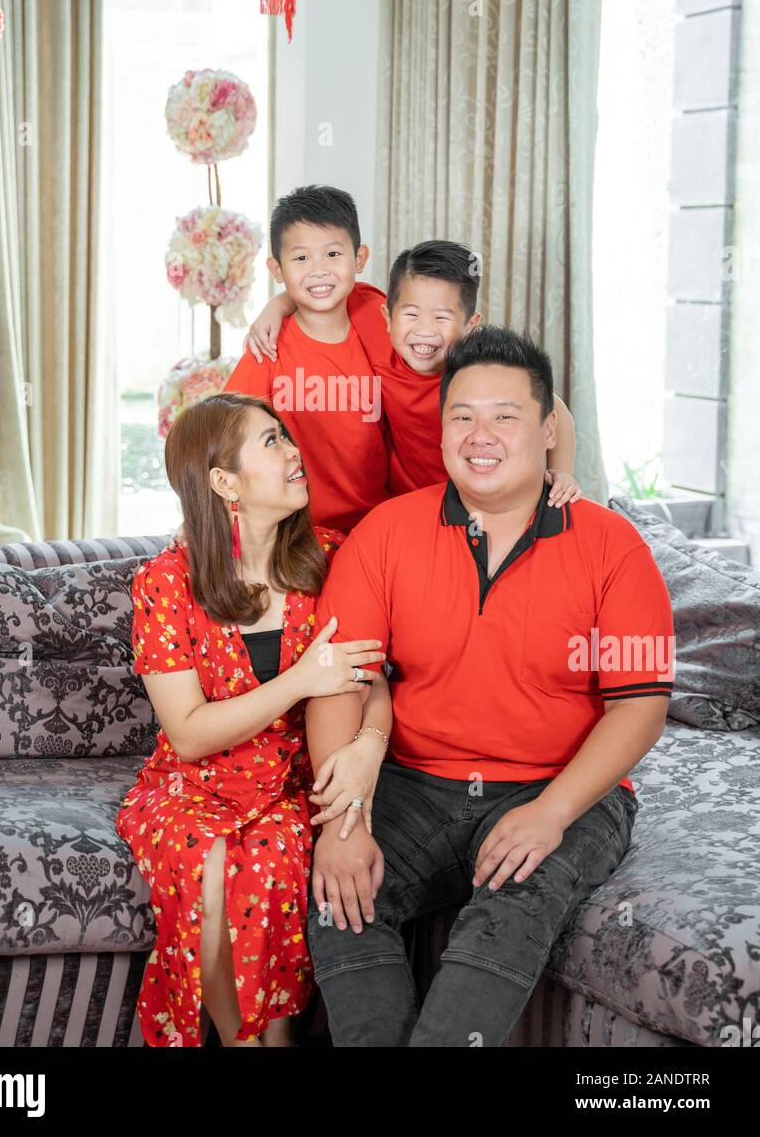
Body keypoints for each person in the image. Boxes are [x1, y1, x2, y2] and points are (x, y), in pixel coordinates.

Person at [303, 325, 675, 1047]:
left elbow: (641, 704)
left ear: (546, 430)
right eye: (462, 416)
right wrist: (340, 824)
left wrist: (552, 813)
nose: (482, 435)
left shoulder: (613, 546)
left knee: (511, 905)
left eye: (505, 416)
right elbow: (341, 680)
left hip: (563, 784)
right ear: (440, 431)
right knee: (337, 893)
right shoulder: (384, 533)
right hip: (415, 779)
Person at [115, 391, 391, 1047]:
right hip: (193, 787)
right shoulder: (166, 584)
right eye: (271, 442)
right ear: (223, 482)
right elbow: (186, 732)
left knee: (268, 866)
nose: (295, 452)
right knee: (206, 860)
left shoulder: (331, 559)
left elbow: (372, 676)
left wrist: (370, 744)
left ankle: (274, 1043)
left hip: (291, 786)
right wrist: (300, 679)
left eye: (287, 436)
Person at [244, 237, 582, 505]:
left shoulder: (477, 374)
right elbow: (323, 292)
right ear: (387, 317)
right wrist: (276, 306)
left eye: (442, 317)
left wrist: (561, 473)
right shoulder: (378, 337)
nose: (424, 331)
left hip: (474, 498)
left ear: (470, 326)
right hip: (405, 505)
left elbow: (556, 411)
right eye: (412, 314)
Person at [225, 185, 389, 533]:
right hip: (294, 532)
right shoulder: (268, 347)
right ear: (277, 269)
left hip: (374, 525)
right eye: (301, 258)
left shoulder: (380, 325)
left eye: (333, 254)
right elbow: (223, 434)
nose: (318, 270)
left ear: (359, 259)